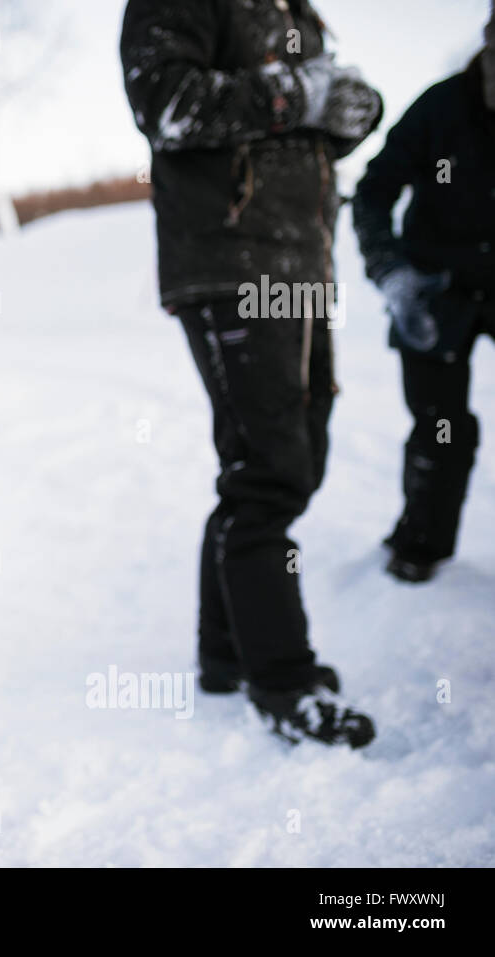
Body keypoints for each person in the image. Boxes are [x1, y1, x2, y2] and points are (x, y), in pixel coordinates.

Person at [120, 0, 381, 747]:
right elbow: (166, 101)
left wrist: (354, 108)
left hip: (301, 264)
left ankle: (227, 652)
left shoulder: (294, 10)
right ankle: (283, 679)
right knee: (271, 470)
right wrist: (299, 94)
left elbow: (316, 121)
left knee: (287, 461)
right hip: (230, 262)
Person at [352, 14, 495, 585]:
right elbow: (372, 193)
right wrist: (391, 273)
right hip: (436, 290)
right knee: (441, 425)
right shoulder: (439, 110)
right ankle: (421, 544)